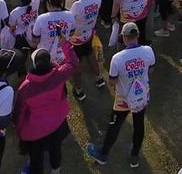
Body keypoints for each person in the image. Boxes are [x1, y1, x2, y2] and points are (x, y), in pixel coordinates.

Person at [86, 22, 154, 169]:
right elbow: (151, 69)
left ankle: (103, 154)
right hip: (141, 95)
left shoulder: (117, 58)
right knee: (139, 124)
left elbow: (112, 81)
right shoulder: (148, 51)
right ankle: (134, 156)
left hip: (123, 99)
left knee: (115, 125)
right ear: (138, 35)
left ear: (123, 37)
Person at [16, 41, 78, 174]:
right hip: (57, 124)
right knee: (55, 149)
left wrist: (19, 131)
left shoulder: (26, 88)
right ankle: (56, 170)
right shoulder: (59, 75)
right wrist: (64, 43)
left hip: (36, 132)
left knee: (36, 159)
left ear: (34, 64)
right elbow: (73, 62)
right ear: (50, 62)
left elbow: (20, 113)